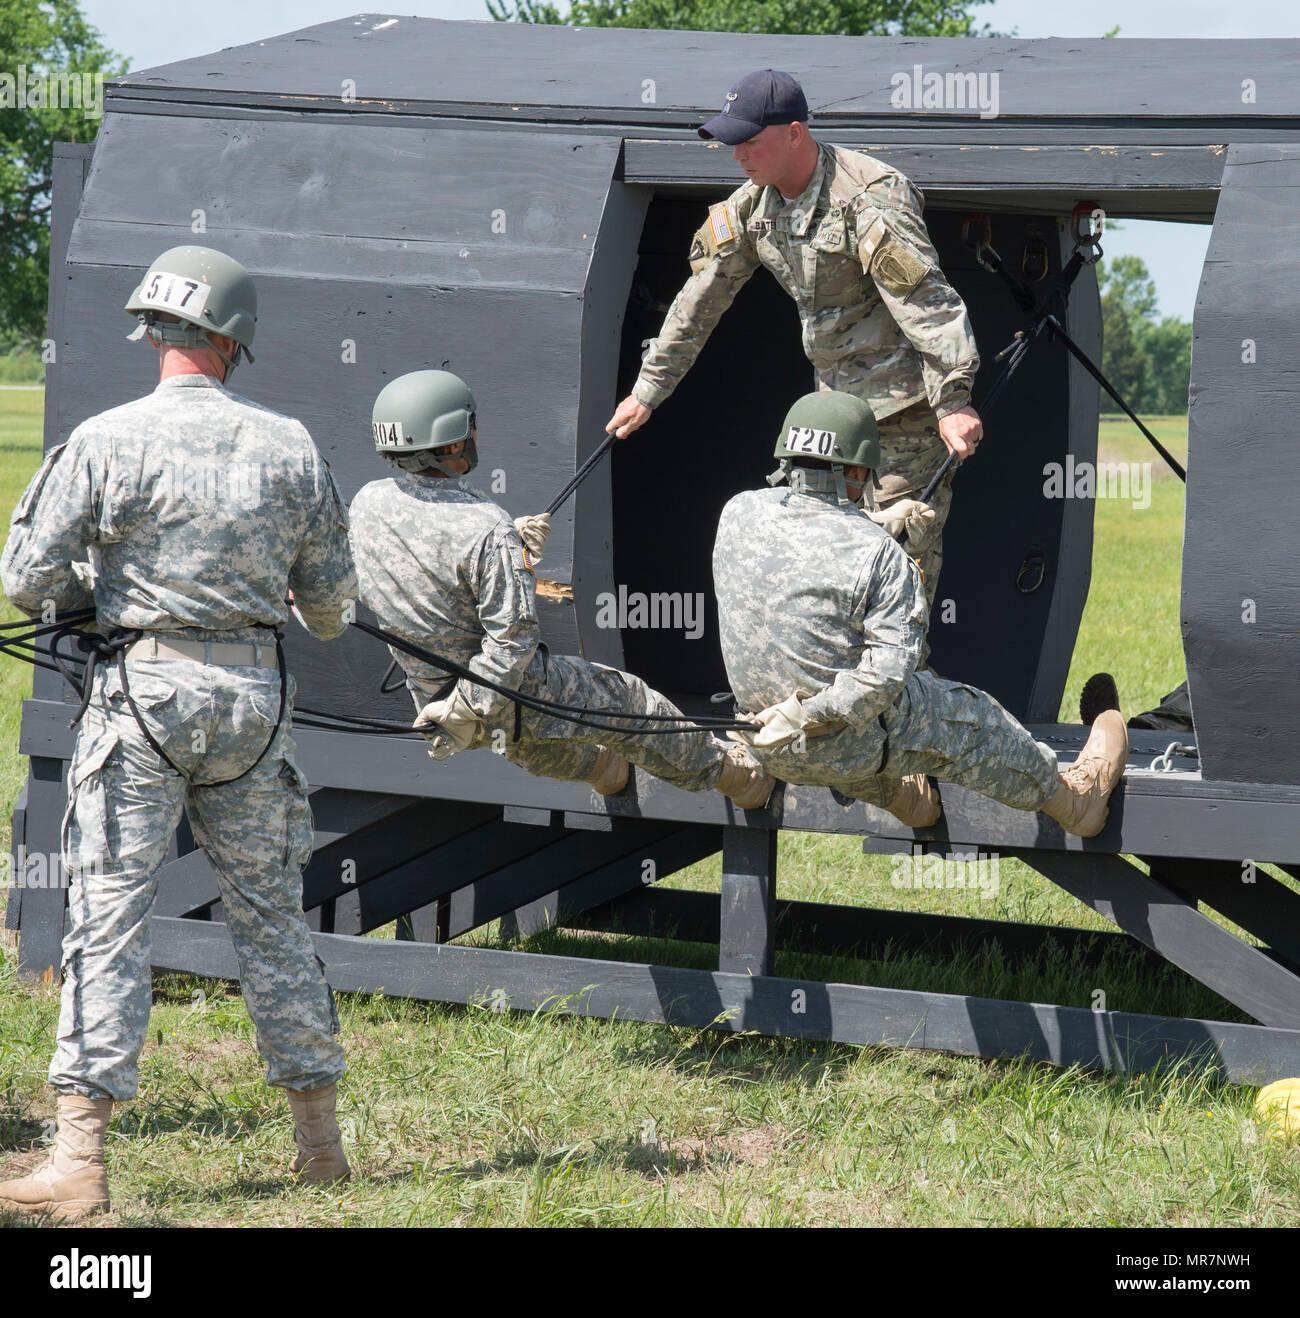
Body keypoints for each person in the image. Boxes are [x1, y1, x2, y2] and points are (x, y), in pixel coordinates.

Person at [0, 246, 356, 1220]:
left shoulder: (105, 439)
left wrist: (102, 584)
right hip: (251, 705)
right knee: (273, 919)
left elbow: (24, 577)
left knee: (106, 919)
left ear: (152, 330)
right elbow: (329, 611)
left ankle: (80, 1164)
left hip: (141, 700)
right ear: (235, 338)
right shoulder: (289, 445)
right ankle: (319, 1149)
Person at [607, 68, 983, 605]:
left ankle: (903, 685)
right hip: (834, 418)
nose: (738, 156)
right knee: (828, 558)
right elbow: (699, 301)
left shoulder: (868, 198)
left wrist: (953, 401)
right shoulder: (752, 206)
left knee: (895, 564)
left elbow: (926, 303)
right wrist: (648, 390)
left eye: (750, 143)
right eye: (733, 144)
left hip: (905, 410)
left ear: (794, 133)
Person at [349, 369, 773, 809]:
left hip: (434, 697)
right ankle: (738, 777)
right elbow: (512, 644)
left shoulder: (368, 502)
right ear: (454, 442)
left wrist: (509, 548)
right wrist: (469, 706)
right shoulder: (482, 525)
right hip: (493, 696)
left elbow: (415, 576)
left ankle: (605, 771)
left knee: (522, 741)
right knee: (630, 703)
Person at [712, 390, 1128, 835]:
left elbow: (805, 543)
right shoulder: (879, 557)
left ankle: (908, 799)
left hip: (762, 738)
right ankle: (1073, 802)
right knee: (973, 717)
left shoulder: (738, 512)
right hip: (844, 749)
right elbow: (885, 677)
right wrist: (810, 715)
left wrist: (878, 526)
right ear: (856, 470)